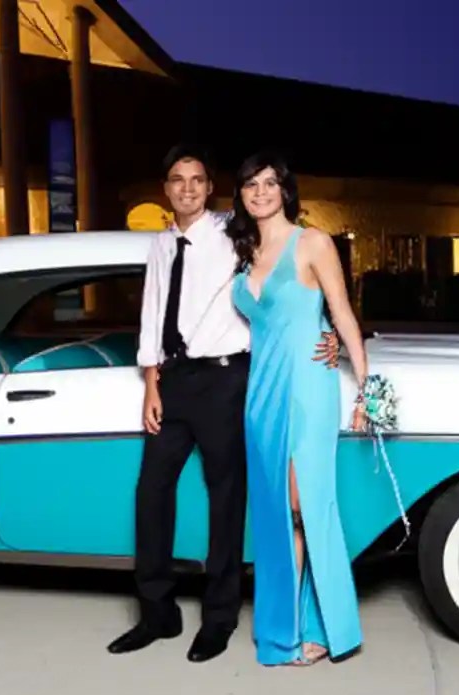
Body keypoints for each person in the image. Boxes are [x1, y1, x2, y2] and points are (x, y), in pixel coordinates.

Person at [107, 144, 338, 663]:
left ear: (210, 189)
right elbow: (152, 315)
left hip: (225, 380)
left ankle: (219, 619)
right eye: (177, 180)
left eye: (197, 180)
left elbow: (292, 282)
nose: (187, 188)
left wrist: (329, 334)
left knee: (226, 500)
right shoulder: (161, 245)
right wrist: (151, 384)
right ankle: (157, 614)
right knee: (151, 494)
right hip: (172, 381)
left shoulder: (235, 232)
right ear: (165, 189)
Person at [228, 151, 368, 667]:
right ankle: (282, 628)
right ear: (241, 195)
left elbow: (342, 311)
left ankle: (324, 628)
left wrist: (365, 387)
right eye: (251, 185)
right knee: (272, 514)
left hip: (308, 387)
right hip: (261, 394)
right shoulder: (241, 251)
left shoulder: (312, 242)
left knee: (304, 506)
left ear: (286, 190)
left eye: (270, 183)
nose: (261, 192)